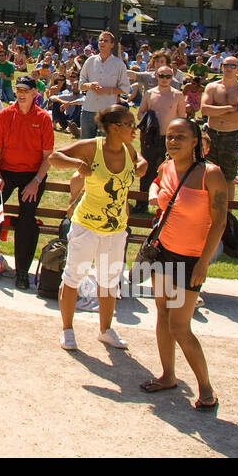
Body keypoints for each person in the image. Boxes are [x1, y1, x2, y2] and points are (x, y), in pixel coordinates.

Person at [140, 118, 227, 411]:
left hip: (190, 258)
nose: (173, 141)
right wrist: (154, 195)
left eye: (180, 137)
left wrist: (203, 263)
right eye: (170, 137)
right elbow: (155, 183)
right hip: (163, 252)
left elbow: (219, 222)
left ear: (195, 142)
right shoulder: (166, 167)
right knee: (162, 313)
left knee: (180, 326)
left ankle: (206, 389)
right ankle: (168, 376)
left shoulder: (210, 174)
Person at [50, 105, 147, 351]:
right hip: (87, 226)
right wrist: (77, 164)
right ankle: (67, 330)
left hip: (116, 229)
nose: (135, 129)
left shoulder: (128, 149)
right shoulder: (93, 147)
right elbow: (54, 157)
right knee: (73, 277)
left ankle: (105, 330)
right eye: (130, 124)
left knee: (109, 281)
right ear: (115, 128)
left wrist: (141, 166)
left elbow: (140, 161)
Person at [0, 75, 56, 288]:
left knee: (27, 218)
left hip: (32, 175)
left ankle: (21, 271)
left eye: (25, 90)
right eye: (18, 89)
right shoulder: (4, 116)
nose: (20, 93)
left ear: (35, 93)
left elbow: (48, 158)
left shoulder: (44, 119)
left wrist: (36, 182)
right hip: (6, 172)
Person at [200, 56, 238, 202]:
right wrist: (229, 108)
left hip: (230, 136)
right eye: (226, 65)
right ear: (221, 67)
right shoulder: (212, 87)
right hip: (211, 135)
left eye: (233, 66)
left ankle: (227, 213)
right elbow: (204, 110)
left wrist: (216, 111)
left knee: (228, 178)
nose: (228, 68)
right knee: (206, 174)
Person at [137, 63, 185, 207]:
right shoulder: (149, 93)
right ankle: (142, 203)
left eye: (168, 76)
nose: (164, 79)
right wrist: (149, 119)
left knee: (169, 170)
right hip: (150, 138)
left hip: (169, 139)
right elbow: (140, 112)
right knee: (147, 169)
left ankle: (168, 203)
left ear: (172, 78)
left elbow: (182, 118)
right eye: (161, 76)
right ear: (156, 76)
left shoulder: (177, 95)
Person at [80, 31, 130, 140]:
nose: (102, 42)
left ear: (112, 45)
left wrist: (108, 90)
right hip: (88, 109)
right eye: (100, 40)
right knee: (85, 145)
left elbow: (125, 89)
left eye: (106, 41)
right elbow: (81, 84)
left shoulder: (119, 64)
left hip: (108, 112)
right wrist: (90, 85)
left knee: (106, 147)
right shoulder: (90, 61)